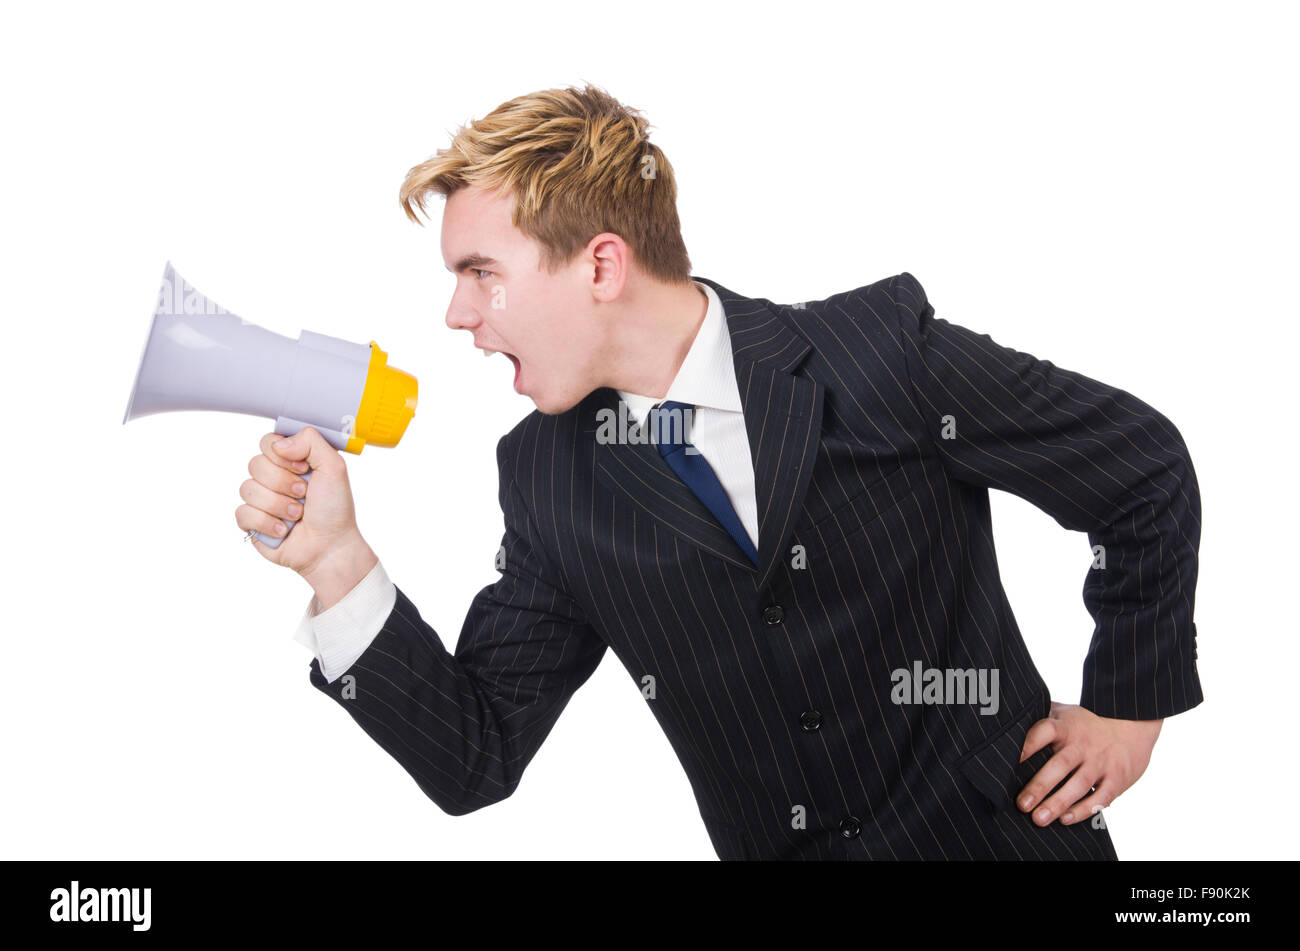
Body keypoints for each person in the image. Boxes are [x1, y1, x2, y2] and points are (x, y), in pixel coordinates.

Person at [234, 84, 1201, 860]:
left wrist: (1128, 706)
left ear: (601, 266)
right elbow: (472, 756)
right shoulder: (547, 479)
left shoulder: (877, 354)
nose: (457, 315)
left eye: (482, 273)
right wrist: (336, 562)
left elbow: (1139, 470)